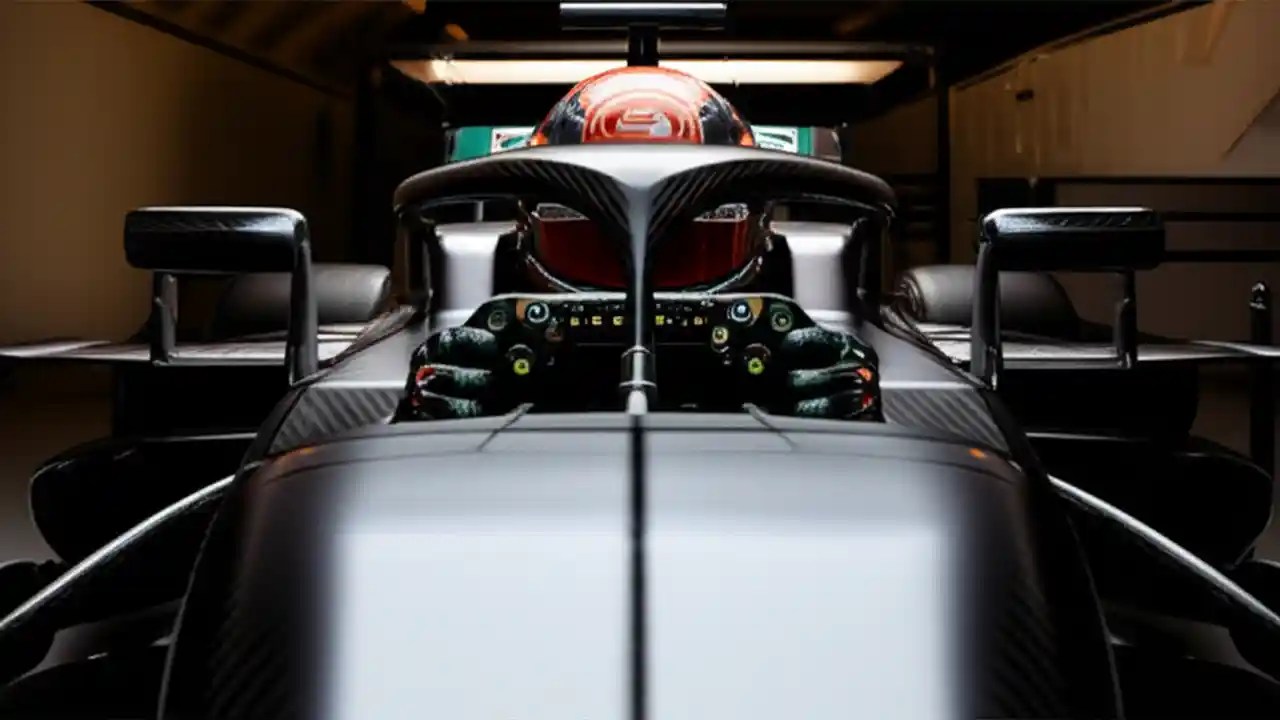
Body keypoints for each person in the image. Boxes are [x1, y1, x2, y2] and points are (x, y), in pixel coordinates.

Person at [398, 66, 878, 421]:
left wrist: (851, 406)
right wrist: (427, 408)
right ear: (526, 222)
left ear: (760, 224)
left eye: (705, 210)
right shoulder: (477, 338)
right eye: (582, 210)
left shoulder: (804, 335)